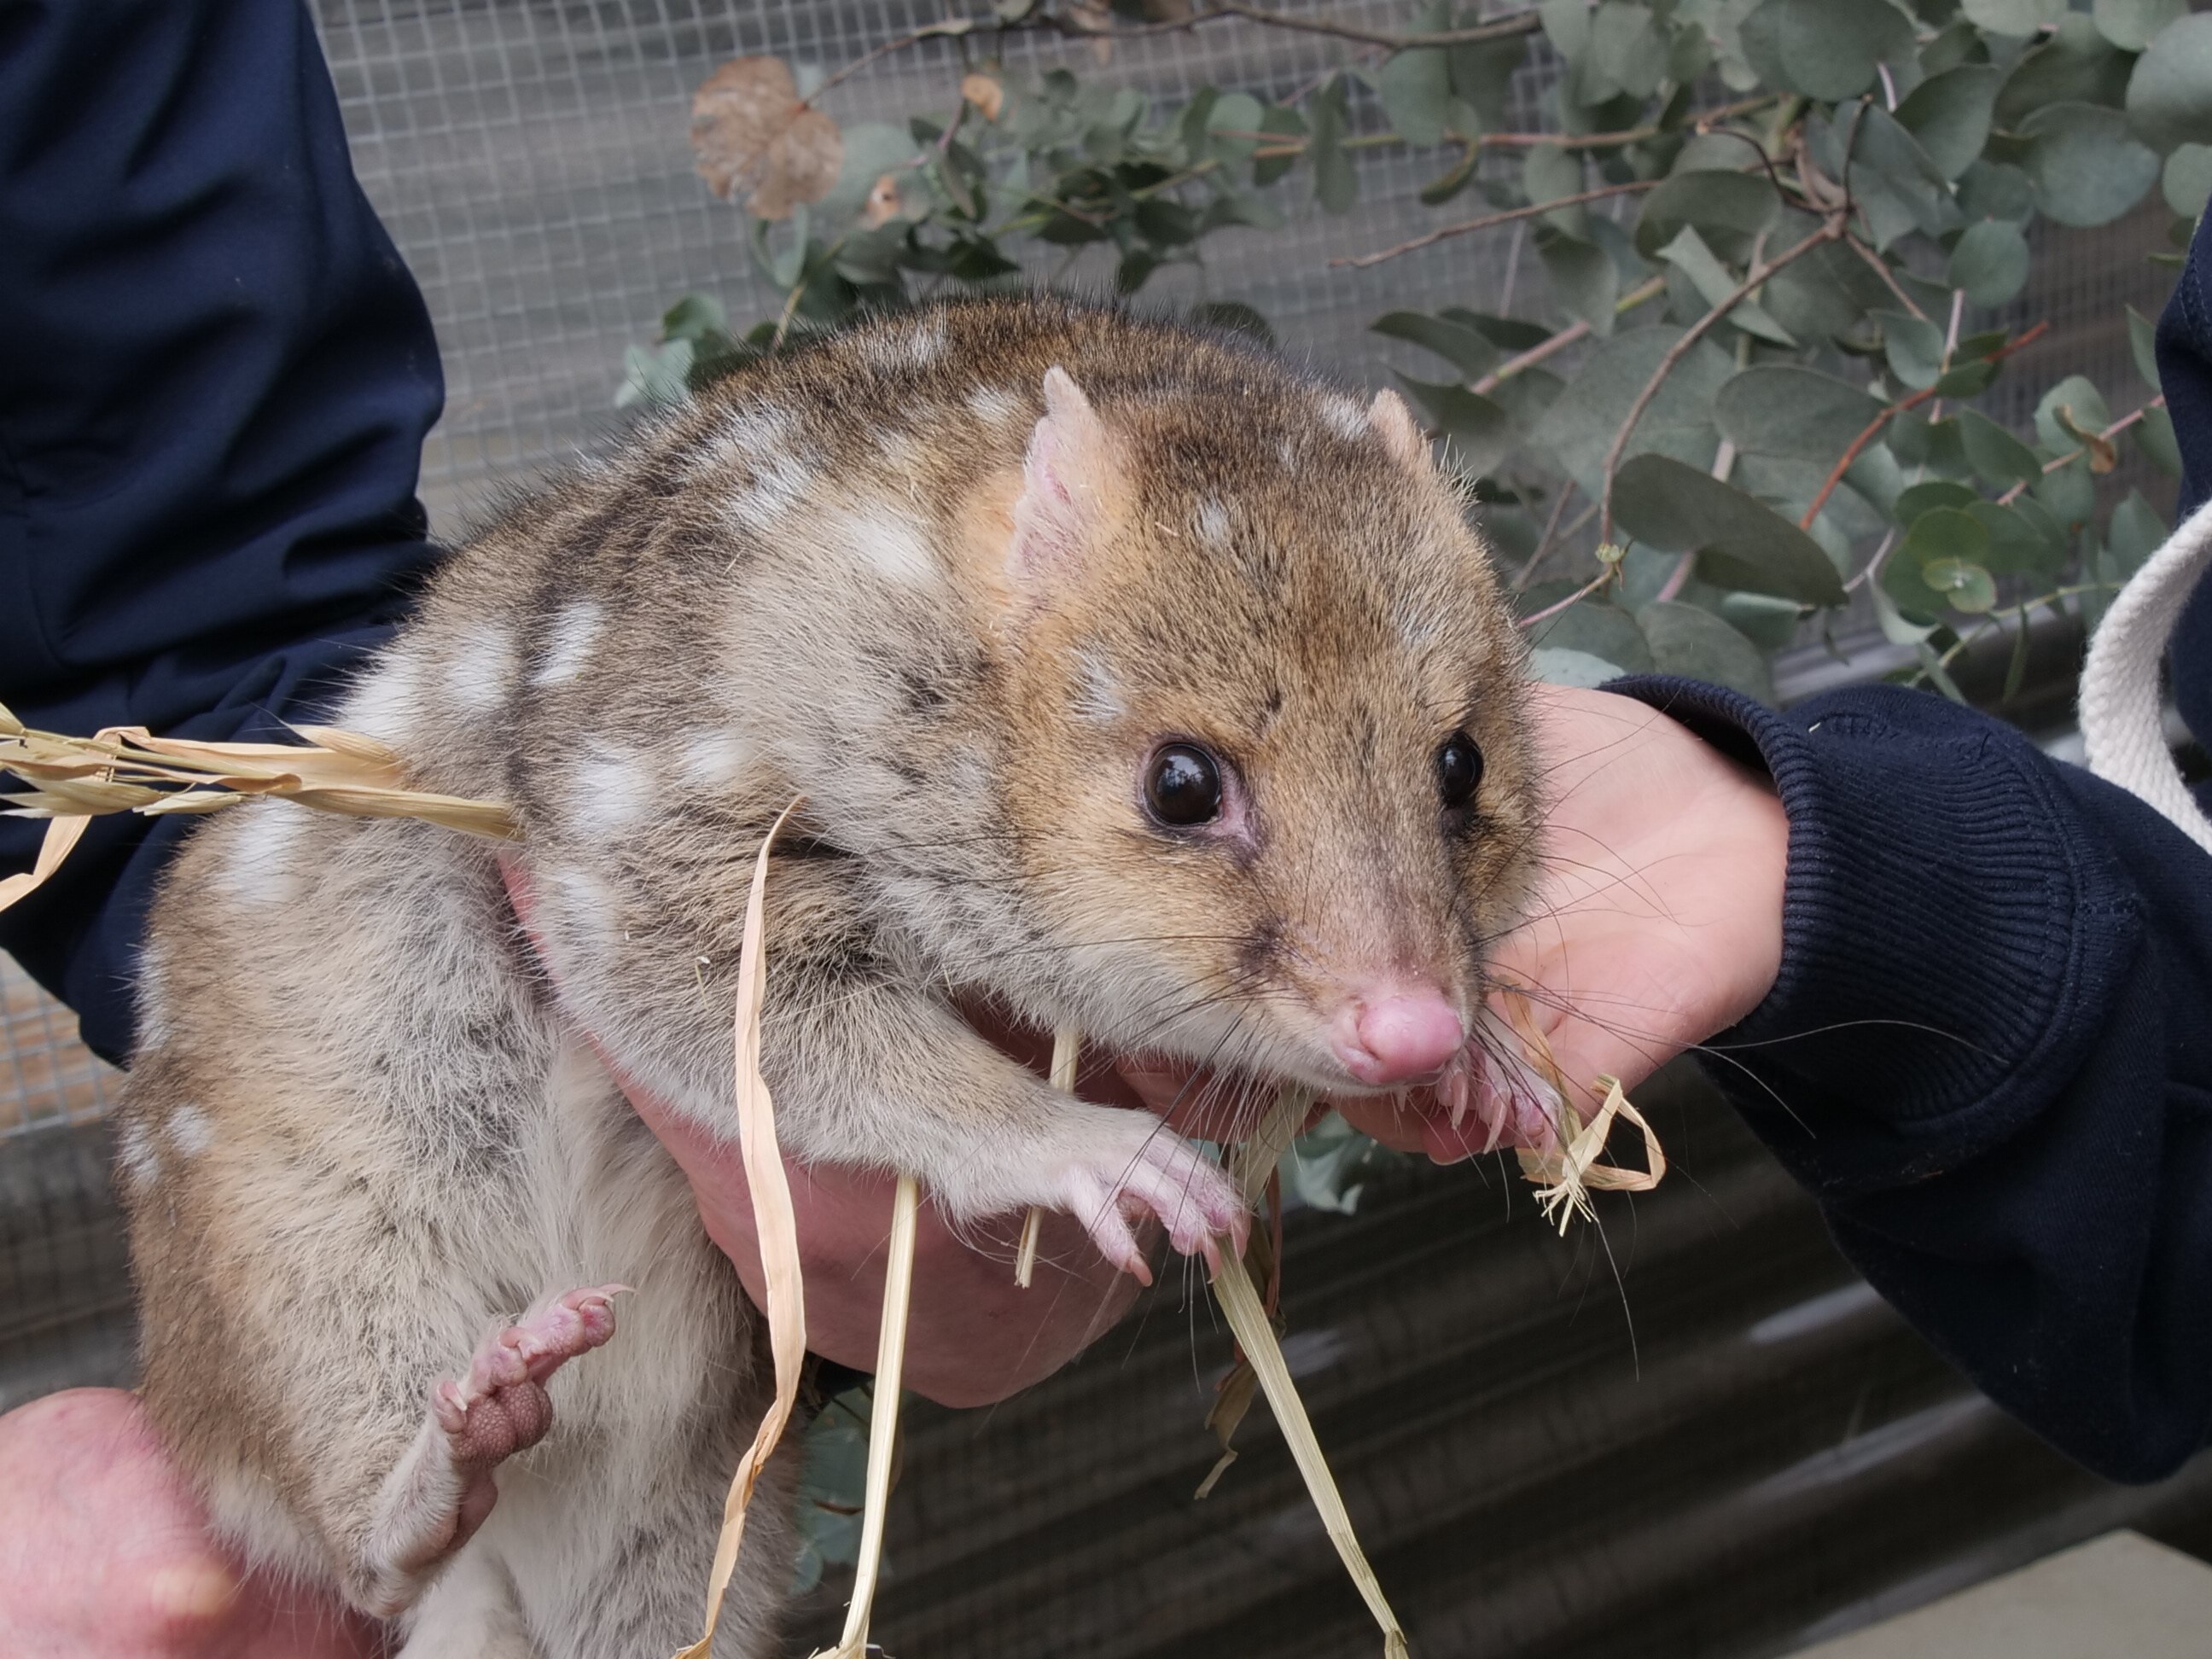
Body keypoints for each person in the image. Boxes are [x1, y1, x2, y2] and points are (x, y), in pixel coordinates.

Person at [6, 0, 2212, 1650]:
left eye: (1455, 789)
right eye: (1195, 794)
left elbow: (191, 587)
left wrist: (1809, 870)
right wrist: (994, 1130)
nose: (1380, 977)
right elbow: (628, 898)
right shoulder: (842, 654)